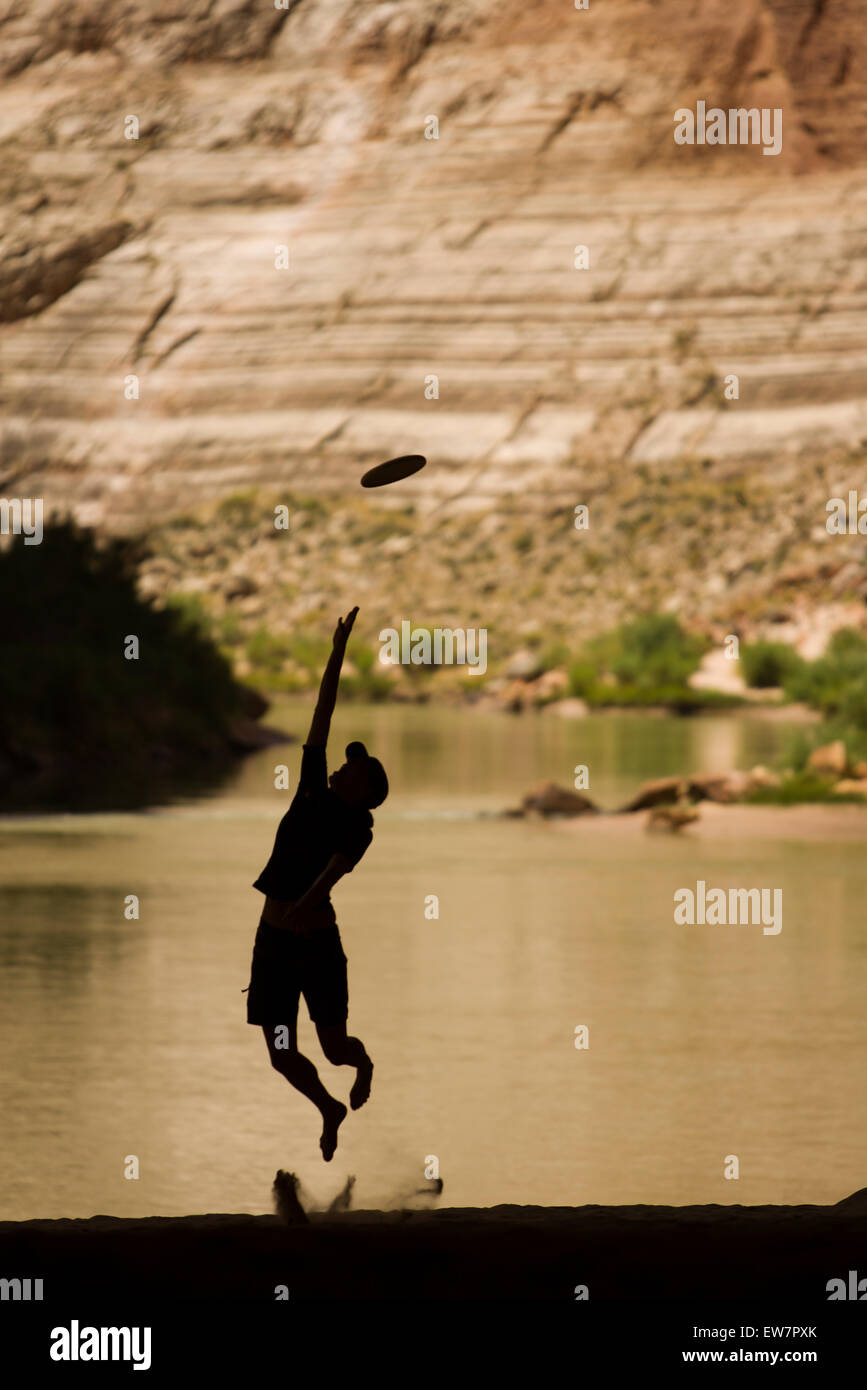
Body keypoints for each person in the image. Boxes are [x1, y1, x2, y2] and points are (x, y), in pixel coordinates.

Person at [244, 607, 388, 1160]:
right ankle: (328, 1110)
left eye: (355, 767)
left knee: (334, 1049)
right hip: (274, 943)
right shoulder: (309, 788)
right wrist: (337, 651)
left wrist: (303, 907)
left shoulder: (358, 828)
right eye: (345, 762)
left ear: (363, 789)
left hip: (317, 947)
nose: (342, 766)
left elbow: (332, 874)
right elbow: (322, 713)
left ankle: (364, 1062)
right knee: (282, 1052)